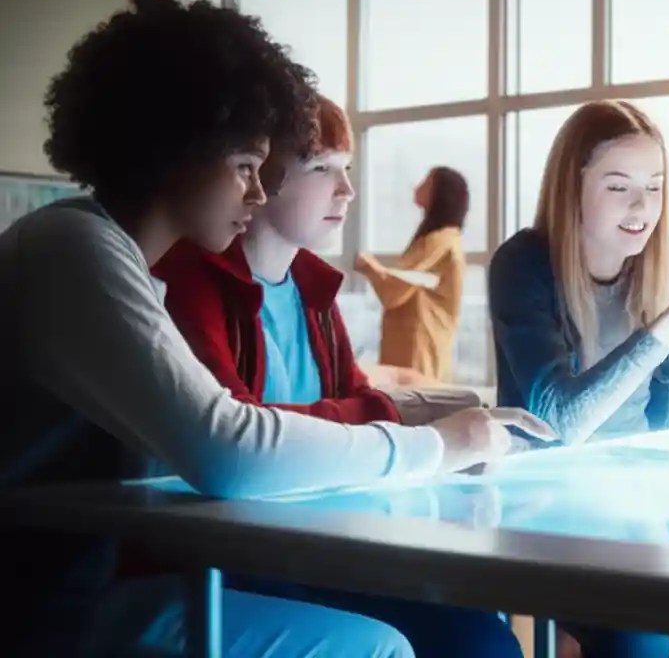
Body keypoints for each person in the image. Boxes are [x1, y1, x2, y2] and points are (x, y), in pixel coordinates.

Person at [0, 0, 539, 656]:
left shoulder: (119, 260)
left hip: (90, 584)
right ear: (176, 150)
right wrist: (438, 445)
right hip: (49, 608)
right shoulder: (72, 248)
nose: (258, 193)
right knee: (381, 646)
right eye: (245, 168)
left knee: (463, 633)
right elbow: (228, 447)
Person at [153, 95, 546, 656]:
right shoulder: (193, 282)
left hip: (322, 541)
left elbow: (354, 399)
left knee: (481, 638)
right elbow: (244, 432)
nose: (347, 190)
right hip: (233, 555)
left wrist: (399, 419)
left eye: (348, 168)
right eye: (321, 168)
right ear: (258, 173)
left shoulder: (312, 286)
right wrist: (404, 422)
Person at [488, 99, 669, 657]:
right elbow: (562, 421)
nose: (641, 207)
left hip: (642, 492)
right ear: (573, 188)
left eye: (654, 187)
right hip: (549, 499)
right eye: (619, 187)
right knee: (644, 636)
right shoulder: (524, 264)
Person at [356, 166, 469, 384]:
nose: (417, 187)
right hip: (412, 347)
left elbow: (394, 290)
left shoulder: (440, 241)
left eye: (427, 182)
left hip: (418, 350)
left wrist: (368, 266)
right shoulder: (438, 239)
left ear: (441, 194)